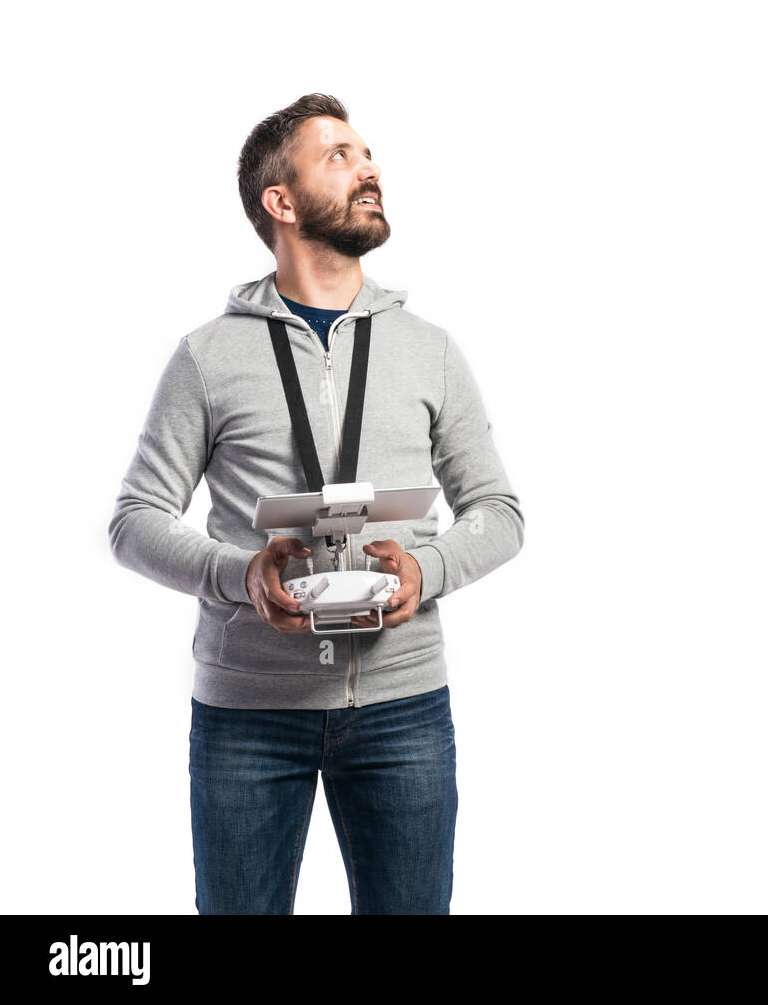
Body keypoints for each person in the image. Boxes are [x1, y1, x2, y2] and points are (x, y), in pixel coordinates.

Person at [108, 93, 524, 915]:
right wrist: (240, 574)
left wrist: (428, 568)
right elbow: (135, 518)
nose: (368, 166)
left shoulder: (430, 350)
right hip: (248, 718)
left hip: (404, 708)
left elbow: (500, 511)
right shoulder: (207, 355)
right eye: (338, 155)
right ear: (282, 201)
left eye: (367, 152)